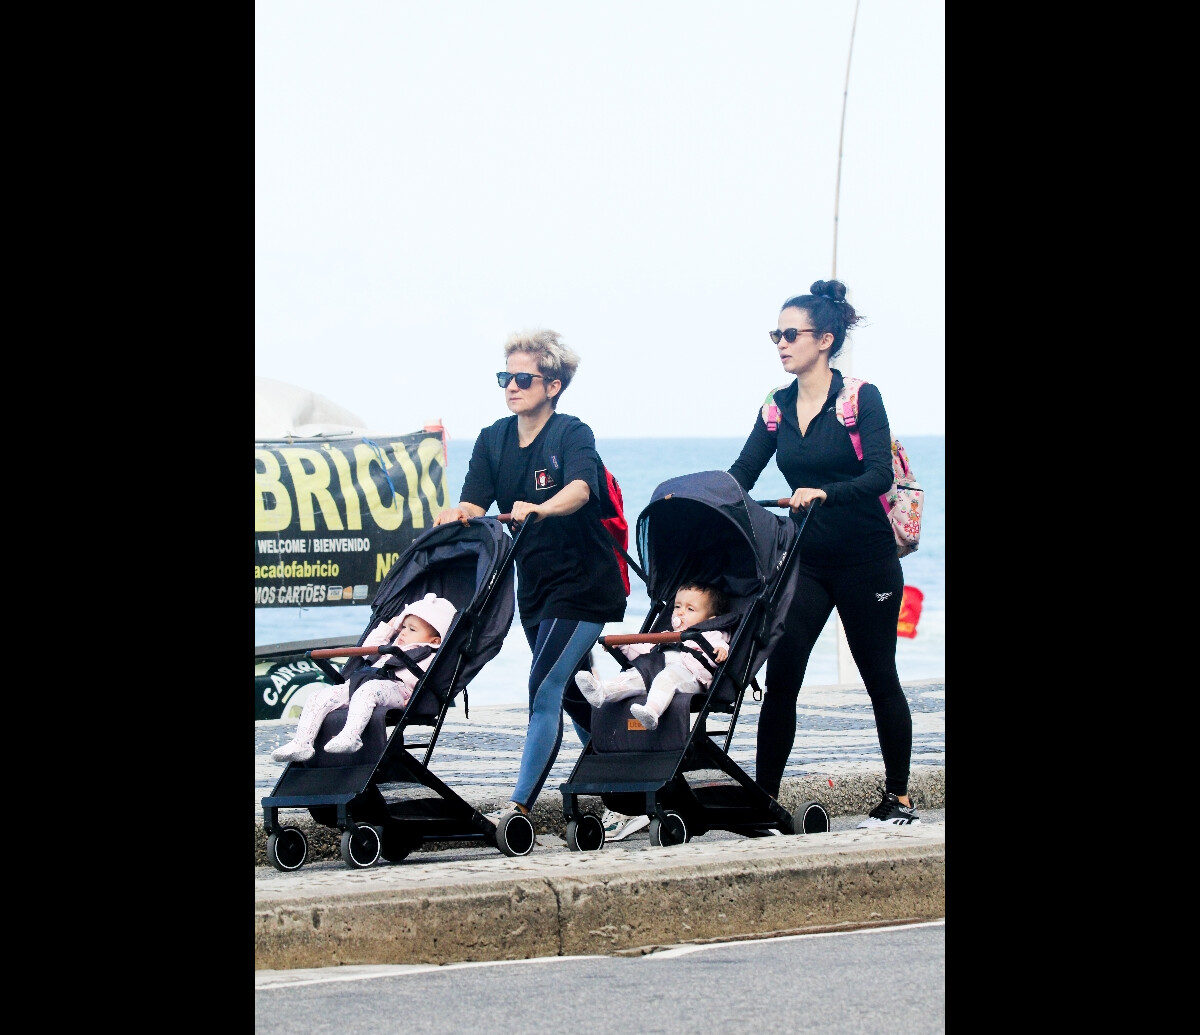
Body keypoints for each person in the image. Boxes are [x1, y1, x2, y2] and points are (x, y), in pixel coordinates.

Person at [727, 279, 920, 828]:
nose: (782, 344)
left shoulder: (860, 397)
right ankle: (764, 801)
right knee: (783, 674)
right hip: (805, 562)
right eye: (776, 335)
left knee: (879, 675)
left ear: (825, 340)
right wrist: (704, 497)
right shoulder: (776, 406)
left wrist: (824, 493)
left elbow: (880, 474)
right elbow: (744, 473)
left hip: (866, 561)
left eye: (792, 334)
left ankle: (898, 797)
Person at [435, 329, 626, 825]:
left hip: (584, 582)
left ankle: (519, 806)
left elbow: (582, 489)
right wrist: (457, 514)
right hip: (536, 585)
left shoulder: (571, 433)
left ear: (553, 385)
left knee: (543, 686)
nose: (512, 386)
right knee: (574, 689)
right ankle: (627, 791)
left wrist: (541, 509)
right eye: (506, 377)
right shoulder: (493, 439)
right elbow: (476, 501)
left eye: (523, 378)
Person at [271, 593, 457, 761]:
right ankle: (302, 742)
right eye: (403, 627)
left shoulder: (430, 654)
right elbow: (367, 651)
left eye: (412, 630)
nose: (404, 632)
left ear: (435, 640)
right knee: (318, 697)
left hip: (398, 690)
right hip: (365, 683)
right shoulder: (391, 648)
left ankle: (351, 736)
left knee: (367, 691)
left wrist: (415, 696)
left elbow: (423, 678)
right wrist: (389, 627)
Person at [574, 582, 731, 731]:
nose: (680, 612)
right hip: (656, 670)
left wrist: (721, 650)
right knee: (635, 675)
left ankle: (651, 712)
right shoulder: (667, 635)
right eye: (677, 606)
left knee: (667, 677)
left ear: (711, 620)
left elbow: (720, 645)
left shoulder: (710, 634)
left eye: (690, 609)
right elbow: (645, 650)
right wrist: (623, 644)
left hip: (690, 677)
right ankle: (602, 691)